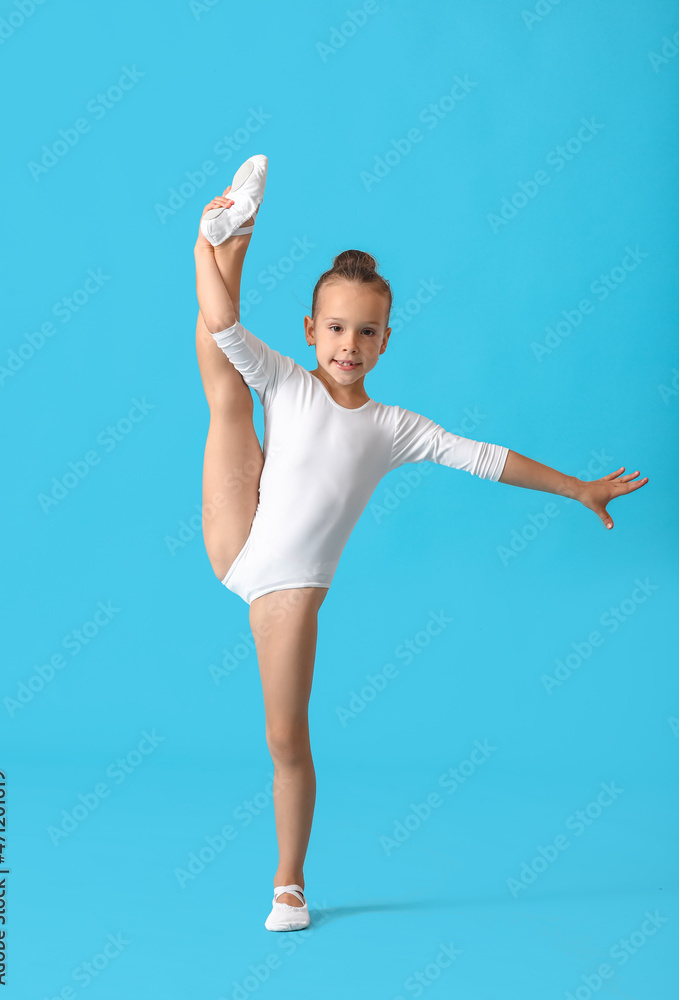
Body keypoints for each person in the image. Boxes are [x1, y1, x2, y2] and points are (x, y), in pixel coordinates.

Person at [193, 155, 649, 932]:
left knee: (283, 737)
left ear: (384, 342)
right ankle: (220, 235)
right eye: (334, 328)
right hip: (237, 537)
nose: (348, 344)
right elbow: (225, 325)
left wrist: (578, 486)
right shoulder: (292, 382)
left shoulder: (392, 428)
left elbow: (486, 458)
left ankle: (288, 884)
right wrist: (206, 258)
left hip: (285, 587)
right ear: (311, 331)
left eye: (365, 333)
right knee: (225, 377)